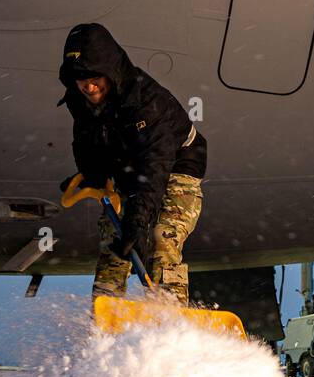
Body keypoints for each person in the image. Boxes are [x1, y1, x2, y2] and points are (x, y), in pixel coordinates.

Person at [56, 23, 206, 305]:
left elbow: (155, 165)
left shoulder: (146, 103)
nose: (89, 86)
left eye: (95, 77)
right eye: (80, 79)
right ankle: (106, 315)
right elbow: (86, 141)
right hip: (128, 169)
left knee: (161, 236)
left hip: (175, 165)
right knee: (115, 244)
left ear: (110, 70)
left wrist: (138, 220)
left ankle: (171, 316)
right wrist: (92, 175)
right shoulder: (82, 101)